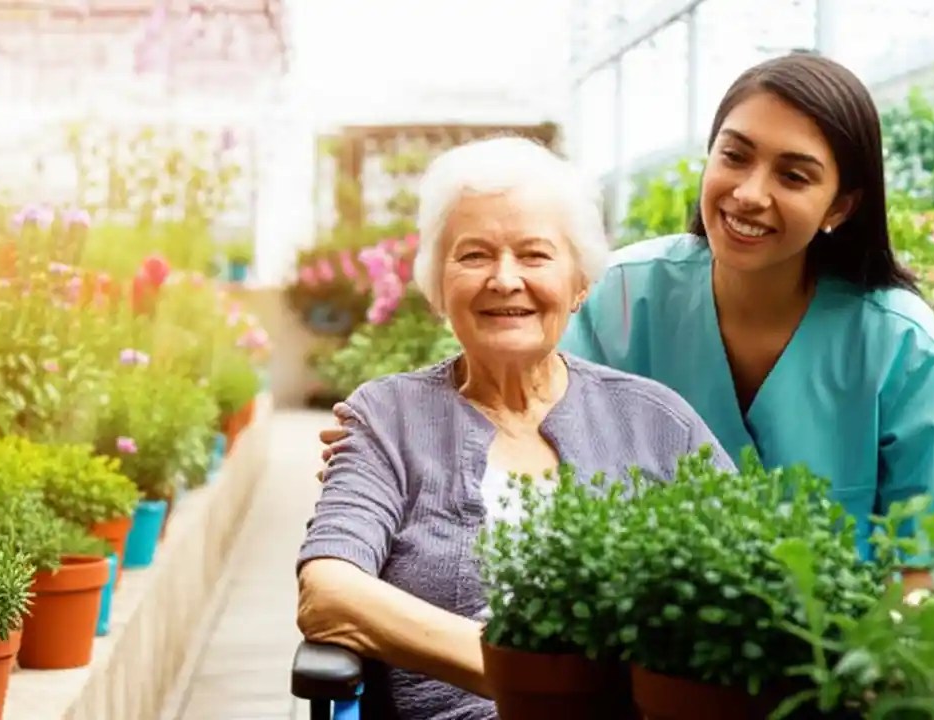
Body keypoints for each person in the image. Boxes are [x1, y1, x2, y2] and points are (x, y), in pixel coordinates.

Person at [317, 53, 934, 591]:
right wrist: (389, 447)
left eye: (794, 175)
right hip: (655, 653)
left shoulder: (898, 344)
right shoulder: (624, 296)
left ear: (843, 204)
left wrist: (857, 675)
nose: (750, 192)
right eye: (735, 155)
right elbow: (515, 399)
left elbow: (930, 560)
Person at [296, 136, 736, 720]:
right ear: (438, 285)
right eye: (474, 255)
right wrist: (538, 678)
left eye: (534, 255)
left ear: (580, 283)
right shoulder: (386, 418)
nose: (505, 279)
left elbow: (749, 592)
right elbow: (328, 591)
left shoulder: (658, 421)